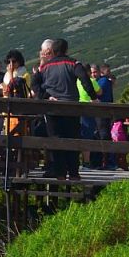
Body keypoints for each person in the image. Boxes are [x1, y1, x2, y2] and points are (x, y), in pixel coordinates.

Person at [36, 38, 97, 180]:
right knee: (72, 140)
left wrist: (44, 98)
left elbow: (36, 83)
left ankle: (60, 173)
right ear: (66, 50)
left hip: (52, 108)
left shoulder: (45, 67)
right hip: (71, 107)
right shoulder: (73, 63)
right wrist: (93, 97)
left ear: (52, 51)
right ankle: (74, 173)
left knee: (56, 140)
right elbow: (84, 79)